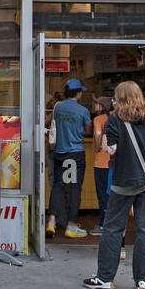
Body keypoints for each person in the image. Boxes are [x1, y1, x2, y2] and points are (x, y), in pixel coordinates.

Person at [83, 81, 145, 289]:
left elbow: (111, 149)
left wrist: (107, 139)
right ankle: (142, 281)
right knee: (144, 229)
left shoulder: (115, 119)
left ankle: (105, 278)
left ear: (120, 97)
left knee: (112, 228)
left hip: (123, 181)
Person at [47, 78, 91, 240]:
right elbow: (87, 130)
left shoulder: (58, 108)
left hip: (60, 154)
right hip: (75, 155)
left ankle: (51, 221)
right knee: (73, 188)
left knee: (58, 186)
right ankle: (71, 226)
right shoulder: (83, 111)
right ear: (78, 93)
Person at [90, 95, 113, 236]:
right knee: (111, 195)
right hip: (114, 162)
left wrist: (98, 147)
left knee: (102, 195)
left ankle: (103, 225)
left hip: (101, 162)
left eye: (97, 104)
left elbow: (98, 133)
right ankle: (111, 224)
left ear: (102, 106)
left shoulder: (98, 119)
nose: (94, 106)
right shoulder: (115, 119)